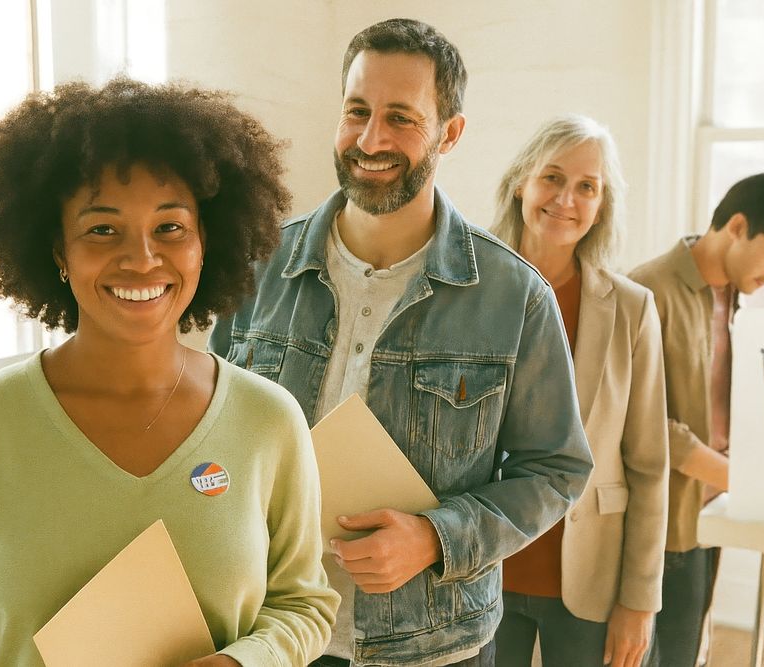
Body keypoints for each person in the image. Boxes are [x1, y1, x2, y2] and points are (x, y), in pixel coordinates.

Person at [0, 77, 339, 666]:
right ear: (58, 250)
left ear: (205, 241)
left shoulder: (267, 420)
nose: (141, 258)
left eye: (170, 227)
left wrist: (246, 661)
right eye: (102, 229)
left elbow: (303, 604)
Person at [209, 18, 594, 667]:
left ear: (451, 131)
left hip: (434, 647)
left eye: (400, 118)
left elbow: (556, 470)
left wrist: (433, 537)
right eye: (357, 111)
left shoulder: (515, 296)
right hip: (271, 634)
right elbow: (214, 433)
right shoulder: (257, 266)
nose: (370, 139)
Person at [489, 115, 669, 667]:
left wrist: (639, 601)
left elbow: (648, 464)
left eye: (587, 187)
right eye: (553, 178)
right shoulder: (465, 285)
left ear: (601, 204)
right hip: (478, 567)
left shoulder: (632, 309)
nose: (566, 199)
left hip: (589, 575)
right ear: (522, 181)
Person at [629, 172, 764, 665]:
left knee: (691, 651)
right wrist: (740, 479)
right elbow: (639, 424)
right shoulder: (646, 291)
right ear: (737, 226)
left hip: (712, 516)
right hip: (663, 527)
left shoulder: (735, 299)